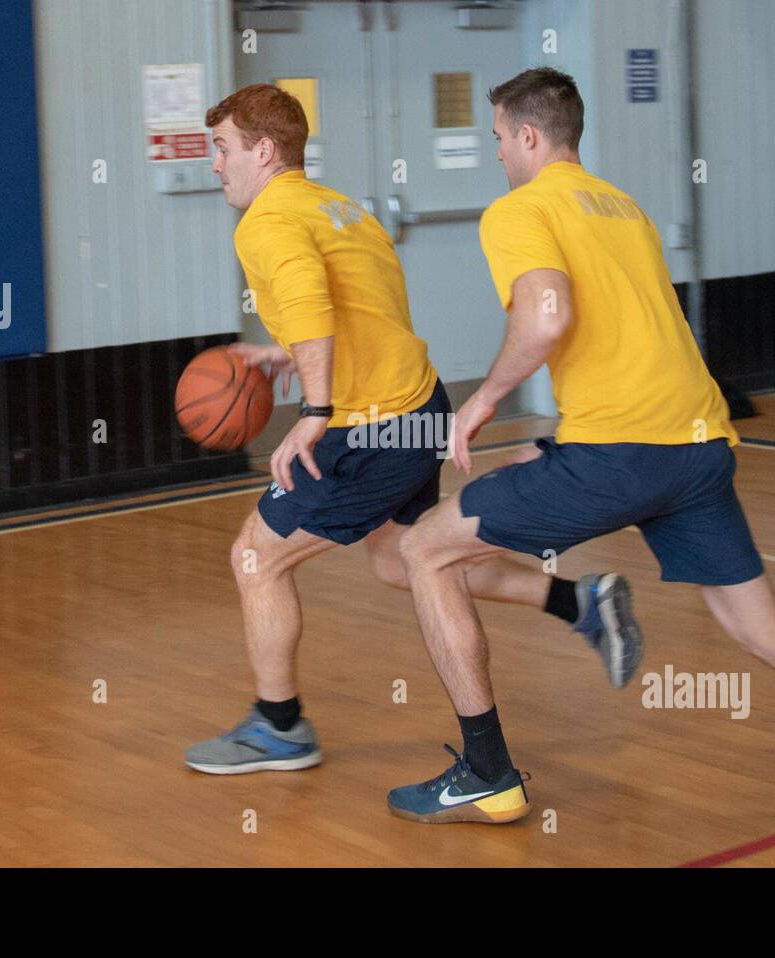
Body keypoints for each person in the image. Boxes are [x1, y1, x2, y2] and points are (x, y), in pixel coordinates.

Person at [385, 68, 775, 844]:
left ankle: (486, 775)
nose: (497, 156)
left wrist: (482, 400)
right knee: (772, 635)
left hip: (619, 451)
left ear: (526, 136)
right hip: (701, 447)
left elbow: (547, 317)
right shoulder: (623, 206)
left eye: (497, 141)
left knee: (424, 551)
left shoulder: (521, 208)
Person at [185, 83, 641, 775]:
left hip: (365, 429)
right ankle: (580, 601)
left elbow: (309, 304)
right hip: (416, 408)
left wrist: (311, 412)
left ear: (264, 149)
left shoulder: (266, 222)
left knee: (256, 557)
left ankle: (278, 728)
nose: (215, 164)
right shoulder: (338, 207)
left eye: (222, 148)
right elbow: (368, 305)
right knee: (402, 559)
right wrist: (291, 356)